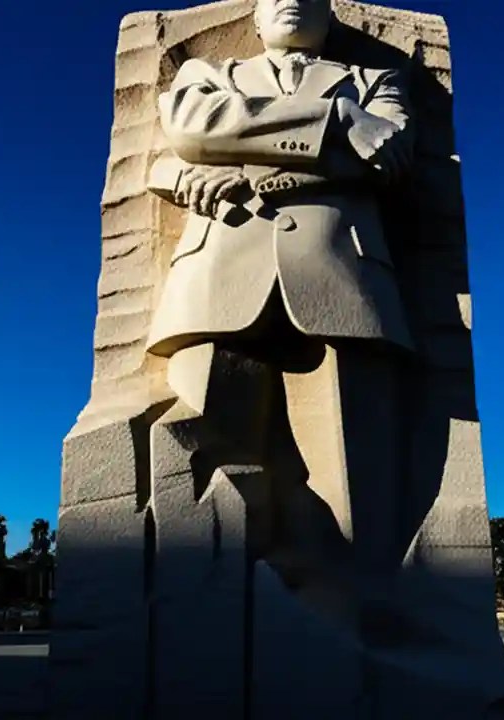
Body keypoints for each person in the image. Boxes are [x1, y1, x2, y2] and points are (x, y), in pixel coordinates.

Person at [145, 0, 417, 582]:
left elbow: (389, 157)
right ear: (257, 18)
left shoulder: (377, 78)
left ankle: (354, 618)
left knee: (355, 476)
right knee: (204, 456)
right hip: (218, 277)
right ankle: (209, 605)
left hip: (343, 277)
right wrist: (340, 120)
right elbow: (192, 129)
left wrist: (240, 149)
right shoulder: (209, 75)